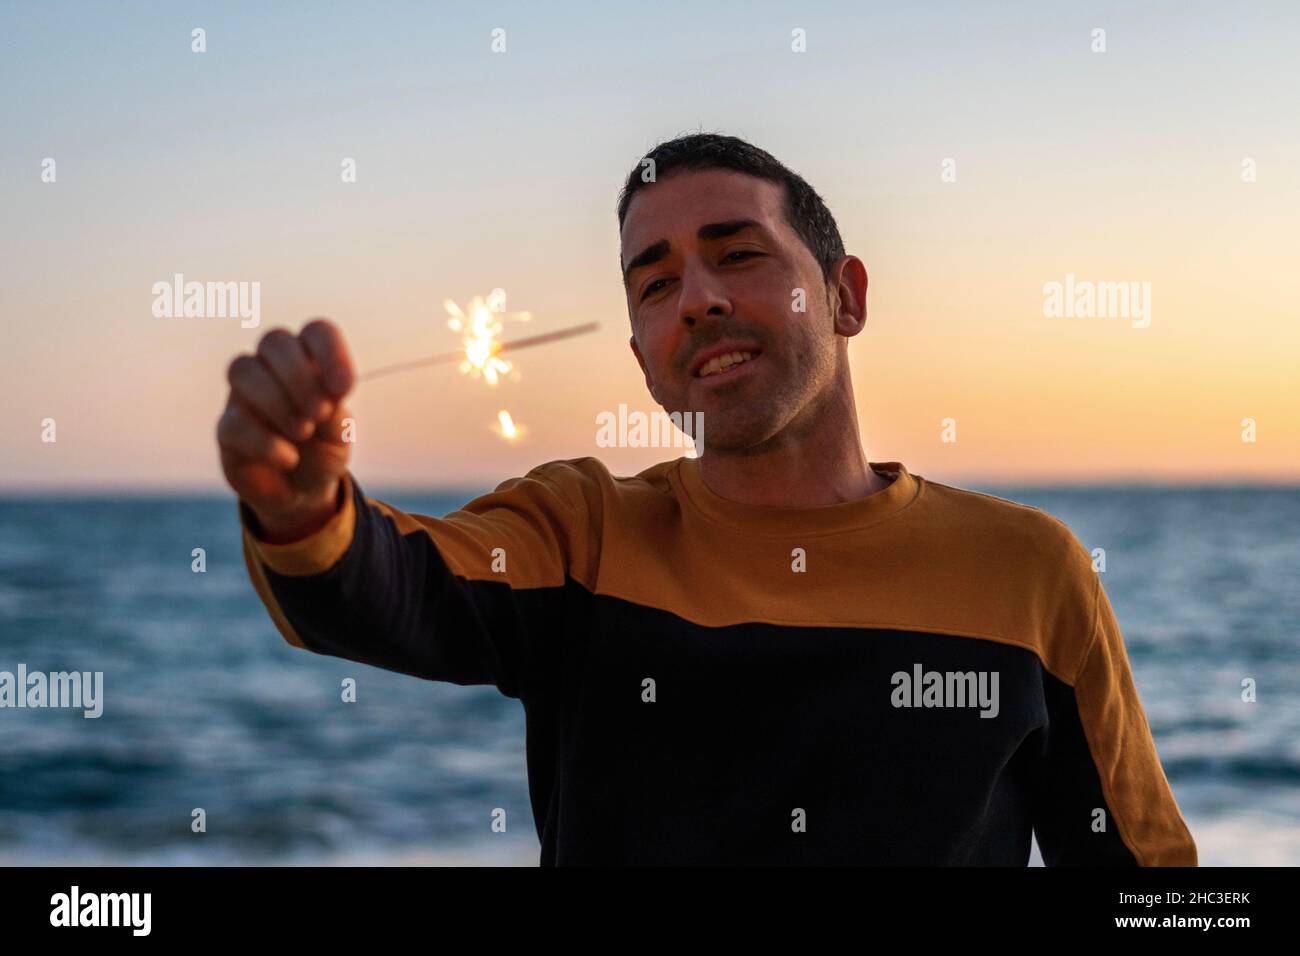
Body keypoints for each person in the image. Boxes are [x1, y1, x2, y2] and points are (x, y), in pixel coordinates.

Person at [217, 132, 1197, 866]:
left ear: (844, 296)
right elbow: (382, 587)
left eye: (737, 254)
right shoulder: (581, 533)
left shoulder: (1025, 568)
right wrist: (304, 506)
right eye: (654, 283)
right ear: (642, 357)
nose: (695, 298)